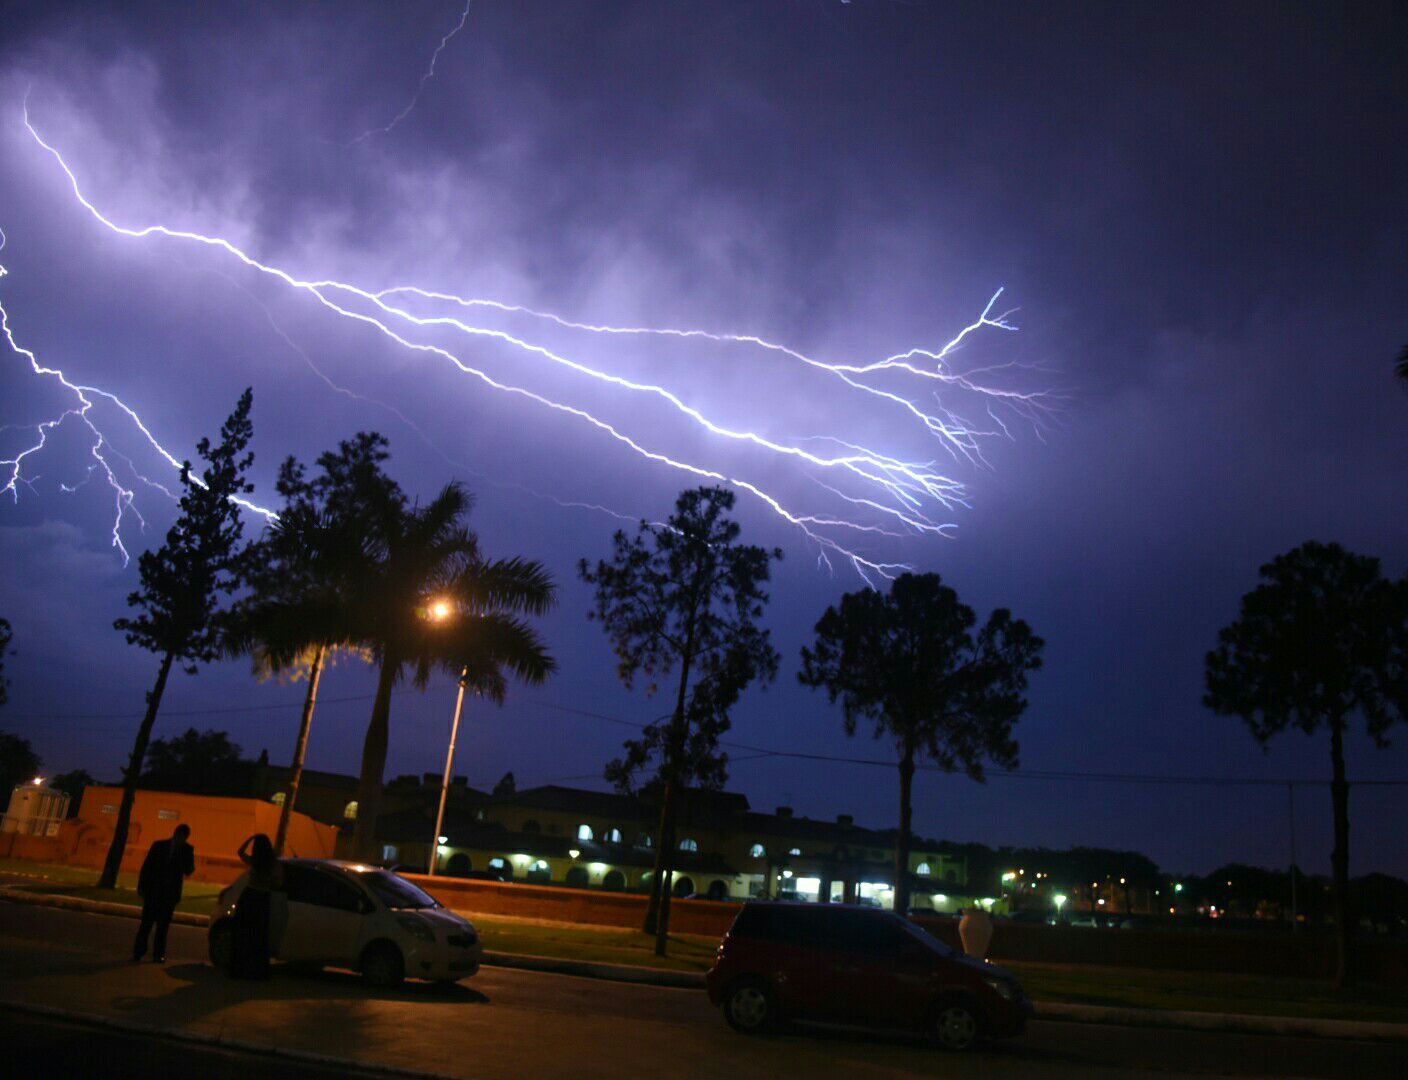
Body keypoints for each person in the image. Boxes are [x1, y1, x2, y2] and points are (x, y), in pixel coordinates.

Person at [133, 823, 195, 963]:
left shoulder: (187, 850)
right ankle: (138, 952)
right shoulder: (159, 846)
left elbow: (189, 869)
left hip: (170, 894)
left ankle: (158, 954)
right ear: (175, 833)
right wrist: (142, 886)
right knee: (146, 924)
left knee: (163, 926)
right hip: (154, 891)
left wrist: (183, 858)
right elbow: (147, 866)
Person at [229, 832, 281, 979]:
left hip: (250, 896)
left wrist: (250, 838)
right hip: (262, 898)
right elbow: (278, 883)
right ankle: (255, 970)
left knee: (243, 933)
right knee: (258, 935)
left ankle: (240, 968)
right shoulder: (272, 863)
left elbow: (240, 851)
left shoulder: (255, 862)